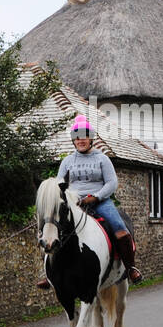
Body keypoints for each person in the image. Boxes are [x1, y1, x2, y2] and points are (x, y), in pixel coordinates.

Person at [35, 114, 142, 288]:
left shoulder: (102, 159)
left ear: (90, 138)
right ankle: (49, 274)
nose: (81, 140)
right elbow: (60, 184)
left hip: (100, 202)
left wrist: (96, 196)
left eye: (84, 136)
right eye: (77, 137)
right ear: (73, 140)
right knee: (49, 231)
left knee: (120, 229)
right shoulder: (67, 161)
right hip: (74, 204)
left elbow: (112, 182)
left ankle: (130, 268)